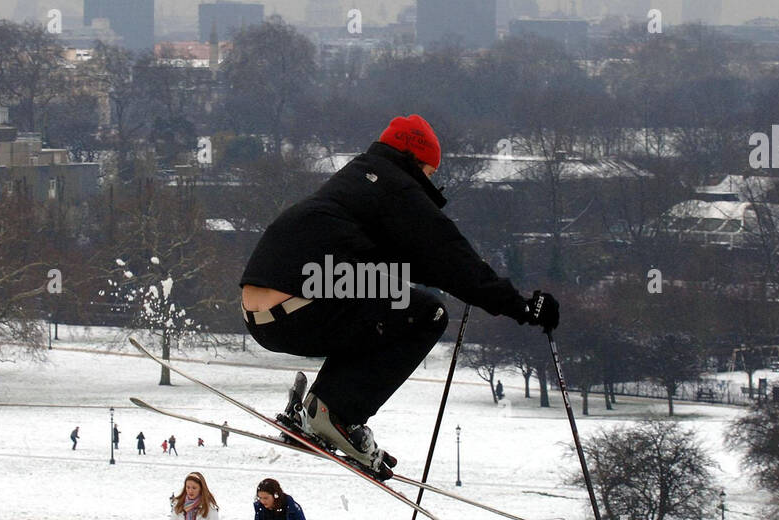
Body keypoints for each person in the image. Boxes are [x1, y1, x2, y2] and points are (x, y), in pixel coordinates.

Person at [239, 115, 559, 473]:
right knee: (426, 314)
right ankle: (335, 413)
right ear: (415, 161)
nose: (429, 181)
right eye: (430, 172)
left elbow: (412, 263)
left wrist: (469, 281)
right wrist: (523, 306)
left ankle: (319, 410)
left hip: (265, 314)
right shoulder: (398, 189)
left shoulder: (358, 178)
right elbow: (447, 254)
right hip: (301, 308)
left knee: (381, 312)